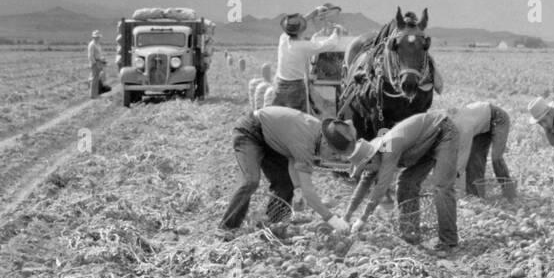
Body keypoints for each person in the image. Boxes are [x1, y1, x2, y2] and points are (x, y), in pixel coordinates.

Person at [219, 109, 357, 235]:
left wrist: (297, 191)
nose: (334, 158)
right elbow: (308, 190)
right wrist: (332, 219)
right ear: (326, 143)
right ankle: (226, 230)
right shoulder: (306, 142)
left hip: (271, 140)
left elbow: (292, 157)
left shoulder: (316, 133)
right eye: (334, 154)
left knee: (285, 183)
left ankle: (272, 228)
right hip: (250, 130)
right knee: (250, 181)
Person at [345, 110, 459, 251]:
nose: (366, 172)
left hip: (442, 132)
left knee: (442, 187)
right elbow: (363, 184)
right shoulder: (372, 154)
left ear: (370, 160)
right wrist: (346, 216)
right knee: (406, 184)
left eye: (365, 168)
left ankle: (449, 241)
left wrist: (362, 219)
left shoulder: (388, 148)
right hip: (423, 144)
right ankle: (410, 235)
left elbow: (381, 187)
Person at [274, 5, 344, 112]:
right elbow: (329, 44)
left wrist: (314, 12)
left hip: (279, 84)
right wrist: (336, 32)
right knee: (298, 115)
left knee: (280, 113)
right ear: (301, 30)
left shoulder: (283, 38)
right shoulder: (304, 46)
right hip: (295, 87)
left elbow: (296, 25)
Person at [452, 101, 516, 200]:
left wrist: (455, 186)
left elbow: (462, 160)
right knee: (473, 161)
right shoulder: (453, 125)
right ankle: (475, 198)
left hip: (498, 118)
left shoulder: (464, 128)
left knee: (496, 158)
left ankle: (510, 194)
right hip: (482, 127)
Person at [87, 30, 109, 98]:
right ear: (93, 37)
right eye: (96, 37)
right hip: (95, 63)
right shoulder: (92, 44)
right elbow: (90, 56)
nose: (97, 38)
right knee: (94, 79)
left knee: (97, 79)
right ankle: (93, 95)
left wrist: (102, 60)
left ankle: (96, 93)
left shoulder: (97, 44)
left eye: (98, 37)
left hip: (99, 62)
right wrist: (94, 63)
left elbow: (99, 54)